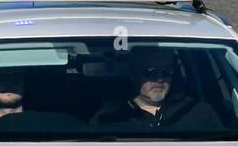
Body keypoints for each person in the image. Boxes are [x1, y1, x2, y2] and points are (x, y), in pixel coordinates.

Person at [90, 53, 223, 131]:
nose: (160, 78)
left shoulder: (199, 110)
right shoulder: (108, 118)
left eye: (167, 72)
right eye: (151, 72)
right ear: (133, 74)